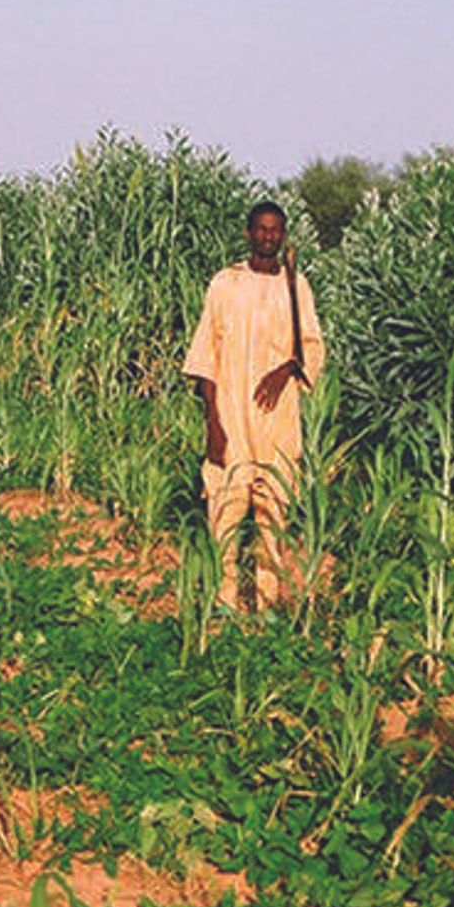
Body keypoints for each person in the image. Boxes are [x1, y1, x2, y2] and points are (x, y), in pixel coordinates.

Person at [181, 201, 326, 611]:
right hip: (231, 416)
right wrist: (213, 424)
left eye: (276, 230)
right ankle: (223, 603)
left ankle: (265, 607)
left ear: (284, 236)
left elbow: (311, 347)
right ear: (248, 233)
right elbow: (205, 358)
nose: (268, 237)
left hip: (277, 422)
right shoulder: (226, 284)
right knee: (225, 514)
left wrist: (287, 370)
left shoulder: (296, 286)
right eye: (261, 230)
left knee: (272, 515)